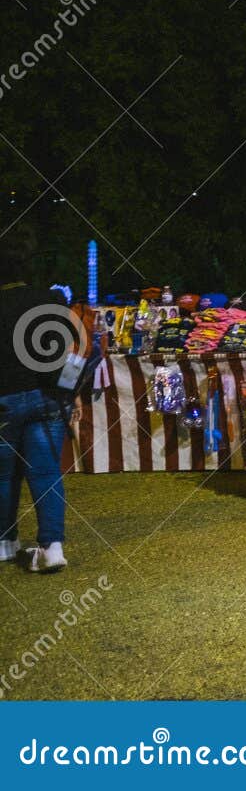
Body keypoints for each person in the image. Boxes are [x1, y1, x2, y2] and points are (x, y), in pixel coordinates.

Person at [0, 228, 75, 573]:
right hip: (46, 398)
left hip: (5, 401)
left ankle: (5, 542)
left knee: (3, 476)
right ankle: (52, 546)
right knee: (46, 473)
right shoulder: (51, 301)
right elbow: (68, 354)